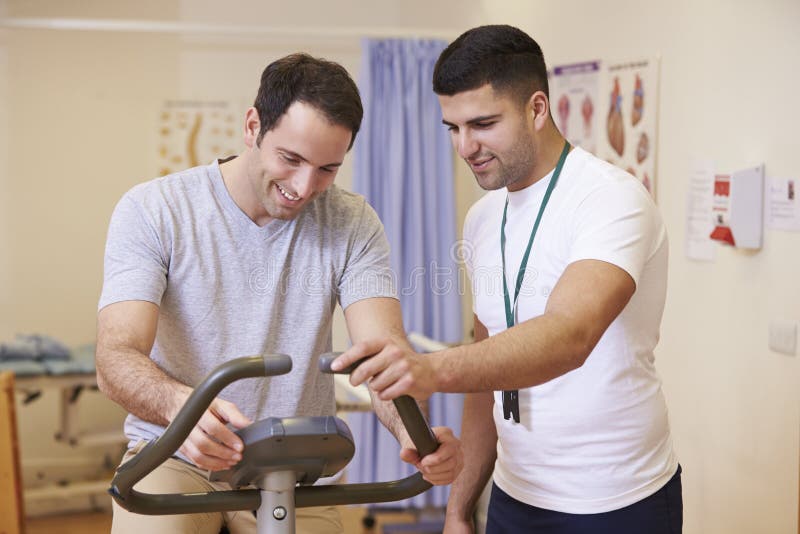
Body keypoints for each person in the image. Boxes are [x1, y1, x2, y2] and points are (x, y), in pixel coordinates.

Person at [333, 25, 681, 534]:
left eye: (483, 124)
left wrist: (430, 369)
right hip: (515, 496)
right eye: (453, 128)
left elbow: (570, 335)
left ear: (536, 109)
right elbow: (487, 370)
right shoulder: (482, 217)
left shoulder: (610, 199)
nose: (465, 146)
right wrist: (458, 508)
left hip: (616, 498)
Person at [96, 53, 462, 534]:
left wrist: (415, 432)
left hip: (296, 464)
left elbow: (384, 356)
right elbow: (116, 356)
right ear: (253, 127)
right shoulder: (154, 210)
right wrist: (180, 409)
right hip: (178, 452)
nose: (304, 187)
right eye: (290, 159)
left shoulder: (352, 222)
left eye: (327, 169)